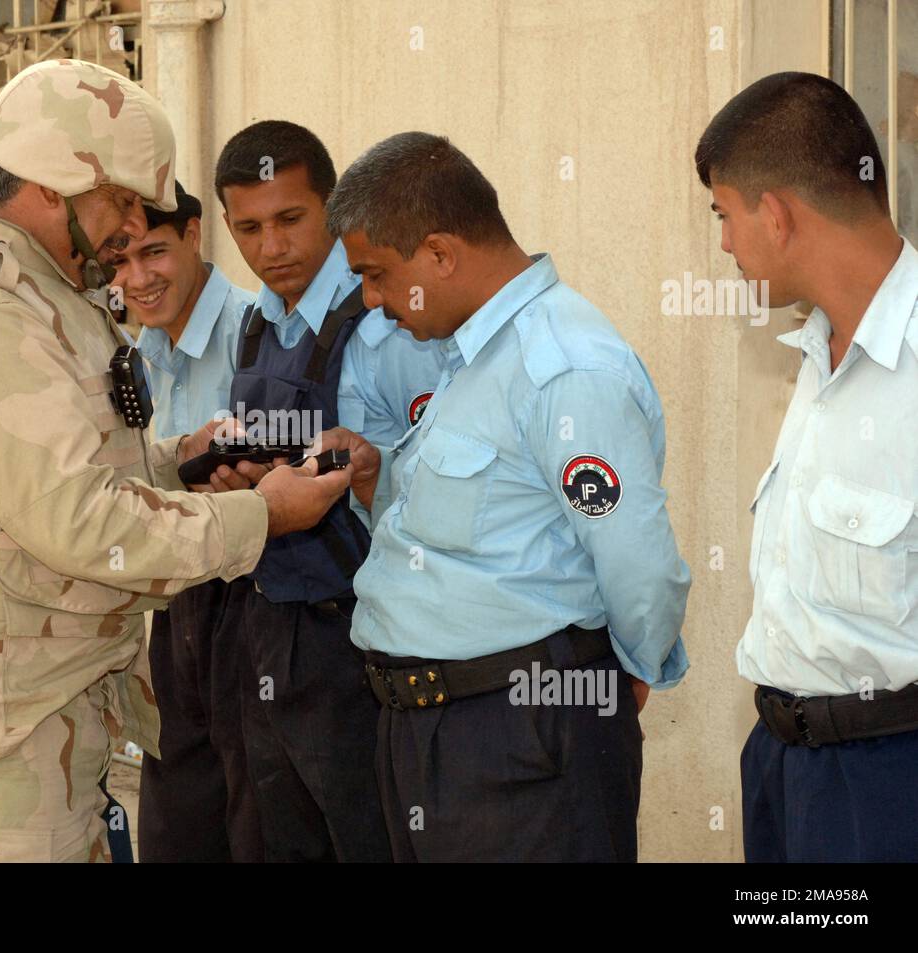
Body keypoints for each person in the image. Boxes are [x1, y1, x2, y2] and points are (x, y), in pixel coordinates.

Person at [0, 59, 350, 863]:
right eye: (116, 201)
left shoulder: (28, 297)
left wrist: (176, 459)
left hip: (27, 711)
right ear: (53, 186)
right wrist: (265, 514)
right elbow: (78, 520)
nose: (126, 229)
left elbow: (48, 478)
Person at [320, 131, 690, 861]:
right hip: (431, 736)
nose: (370, 300)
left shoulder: (563, 366)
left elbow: (639, 562)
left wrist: (621, 681)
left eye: (376, 274)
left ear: (440, 254)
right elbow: (490, 516)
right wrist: (377, 476)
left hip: (520, 738)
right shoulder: (470, 352)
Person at [696, 72, 918, 862]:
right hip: (785, 769)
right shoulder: (817, 353)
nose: (723, 243)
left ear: (776, 215)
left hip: (889, 784)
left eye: (724, 215)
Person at [210, 121, 443, 862]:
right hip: (267, 619)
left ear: (332, 208)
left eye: (289, 219)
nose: (271, 247)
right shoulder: (255, 325)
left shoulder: (389, 329)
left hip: (357, 638)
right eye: (248, 228)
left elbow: (438, 491)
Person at [106, 181, 262, 861]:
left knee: (254, 822)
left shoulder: (258, 334)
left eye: (155, 253)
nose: (138, 278)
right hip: (174, 607)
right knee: (174, 825)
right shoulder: (135, 353)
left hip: (252, 602)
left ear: (196, 234)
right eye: (121, 260)